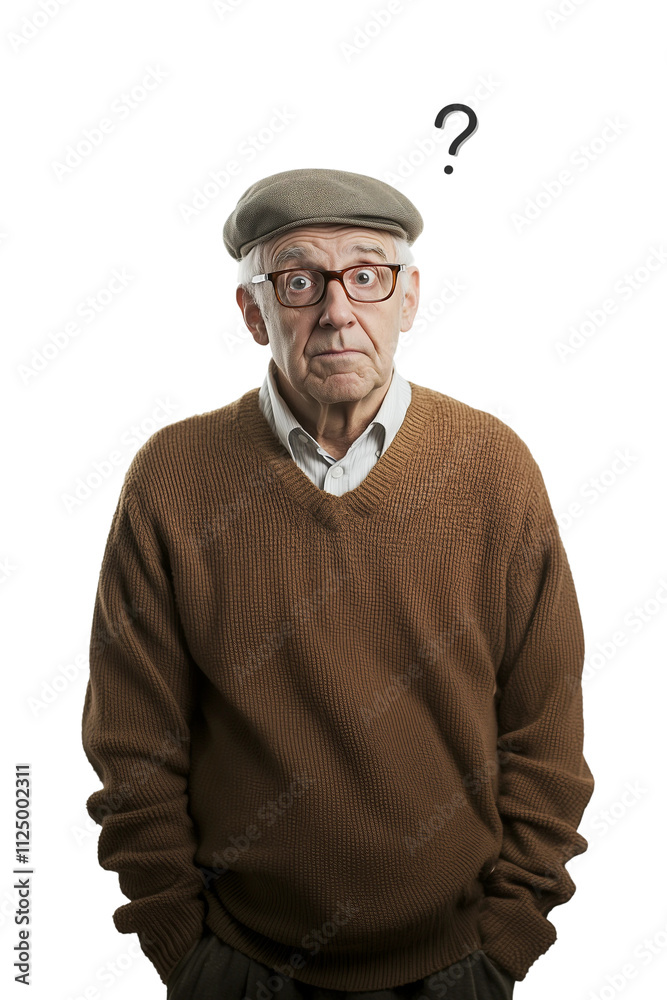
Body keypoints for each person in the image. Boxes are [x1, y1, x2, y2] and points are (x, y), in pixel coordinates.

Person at [81, 167, 594, 999]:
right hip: (240, 969)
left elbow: (546, 731)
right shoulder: (171, 478)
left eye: (365, 275)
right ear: (254, 311)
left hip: (458, 967)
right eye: (297, 280)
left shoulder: (493, 468)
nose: (336, 310)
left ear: (408, 298)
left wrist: (506, 941)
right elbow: (133, 740)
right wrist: (181, 944)